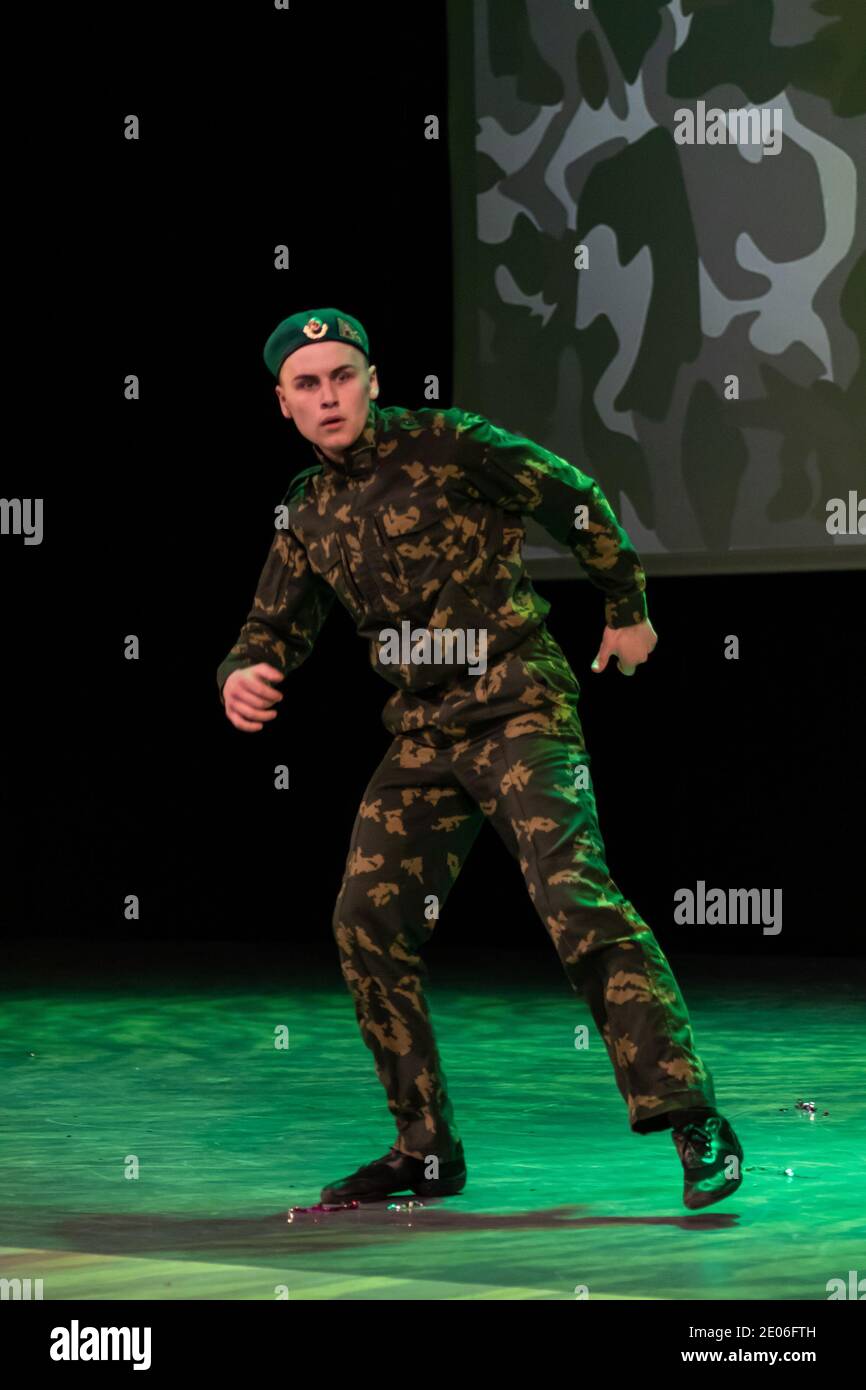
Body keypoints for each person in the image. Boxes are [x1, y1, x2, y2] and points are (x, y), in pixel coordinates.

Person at [216, 307, 744, 1211]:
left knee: (573, 894)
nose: (328, 395)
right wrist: (243, 671)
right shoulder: (306, 508)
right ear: (284, 404)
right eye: (308, 385)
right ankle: (424, 1151)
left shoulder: (451, 444)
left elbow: (574, 495)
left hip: (516, 701)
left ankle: (690, 1115)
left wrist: (626, 605)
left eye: (343, 376)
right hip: (422, 729)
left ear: (372, 380)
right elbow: (272, 626)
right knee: (364, 923)